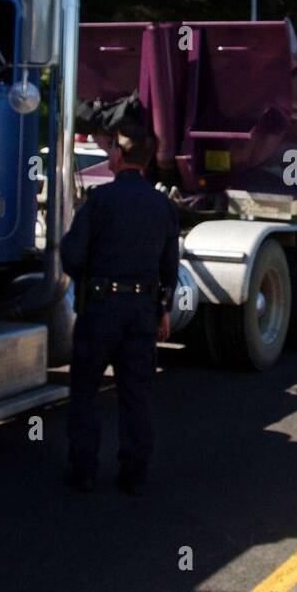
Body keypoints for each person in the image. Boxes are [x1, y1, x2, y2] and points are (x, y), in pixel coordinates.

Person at [60, 127, 180, 494]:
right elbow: (169, 268)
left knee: (85, 391)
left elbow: (72, 257)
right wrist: (162, 310)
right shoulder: (163, 206)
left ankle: (84, 472)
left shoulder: (99, 200)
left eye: (111, 148)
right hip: (142, 311)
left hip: (100, 309)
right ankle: (134, 474)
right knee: (136, 395)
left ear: (119, 156)